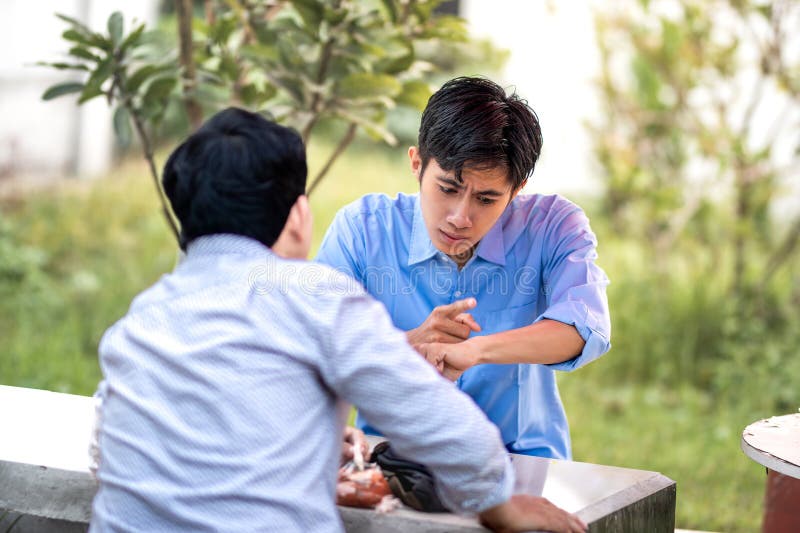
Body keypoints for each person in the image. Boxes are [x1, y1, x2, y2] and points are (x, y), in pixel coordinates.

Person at [88, 107, 585, 532]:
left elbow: (105, 449)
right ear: (299, 216)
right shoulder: (317, 297)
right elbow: (450, 431)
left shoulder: (138, 323)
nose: (460, 215)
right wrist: (500, 508)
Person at [317, 77, 611, 460]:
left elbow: (585, 327)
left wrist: (477, 351)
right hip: (393, 460)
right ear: (417, 163)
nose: (460, 217)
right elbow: (316, 353)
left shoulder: (553, 227)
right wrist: (408, 345)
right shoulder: (362, 230)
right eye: (448, 188)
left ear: (516, 189)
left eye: (487, 199)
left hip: (524, 460)